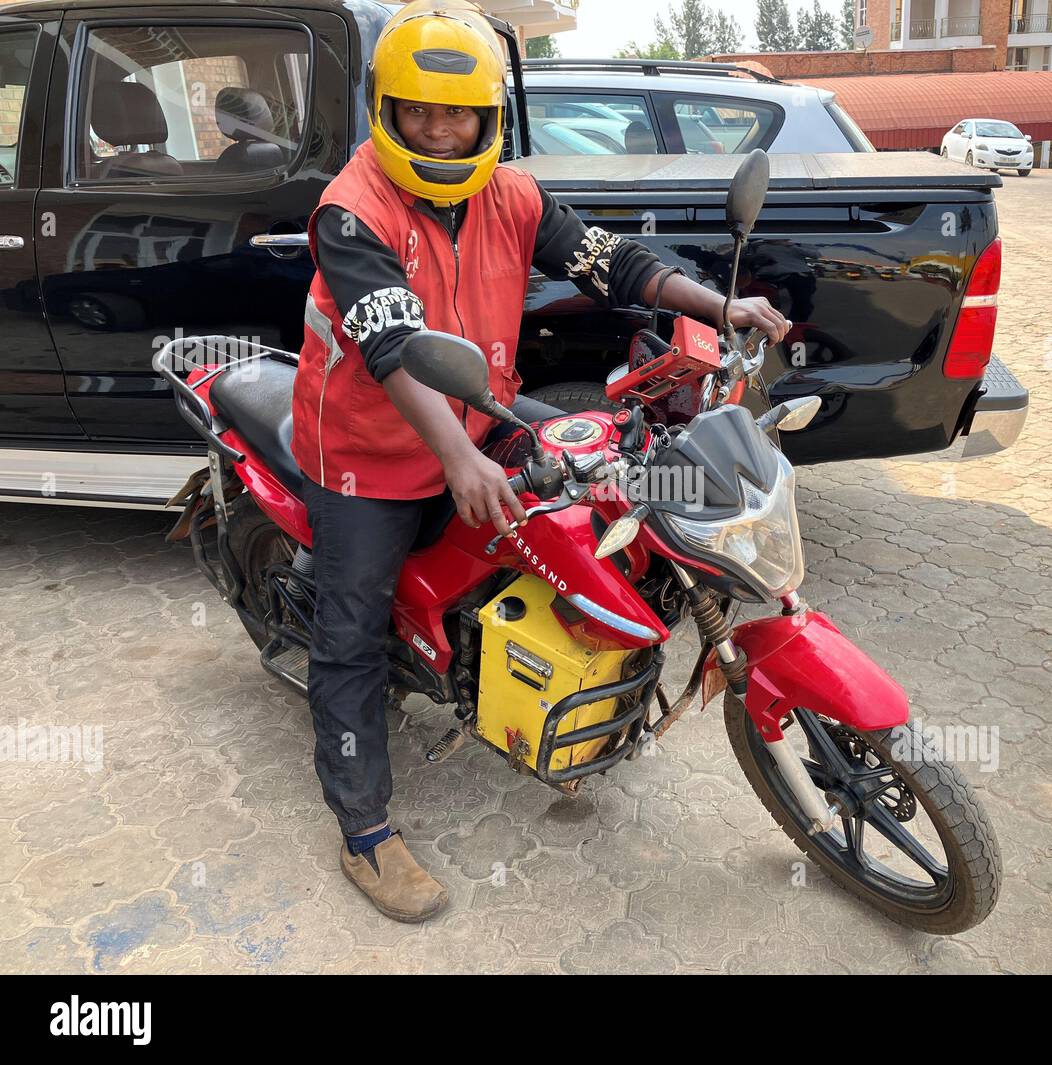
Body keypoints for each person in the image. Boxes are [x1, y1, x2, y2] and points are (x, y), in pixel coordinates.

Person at [289, 0, 791, 923]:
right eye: (420, 111)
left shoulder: (510, 193)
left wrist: (720, 308)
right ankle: (363, 829)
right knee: (349, 636)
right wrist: (459, 459)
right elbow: (392, 344)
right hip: (367, 450)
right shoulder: (351, 212)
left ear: (488, 118)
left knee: (602, 476)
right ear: (387, 110)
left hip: (473, 408)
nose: (440, 129)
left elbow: (611, 260)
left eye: (459, 114)